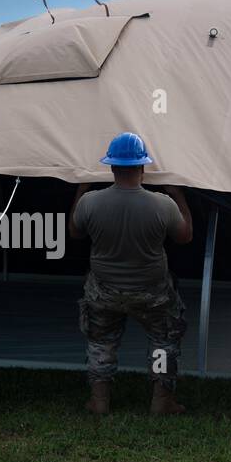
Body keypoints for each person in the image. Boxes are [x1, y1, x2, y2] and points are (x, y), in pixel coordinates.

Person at [69, 132, 193, 415]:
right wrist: (178, 195)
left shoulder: (90, 202)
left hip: (104, 290)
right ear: (143, 167)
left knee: (101, 342)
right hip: (152, 292)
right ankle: (161, 400)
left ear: (111, 166)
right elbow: (185, 236)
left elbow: (75, 232)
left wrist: (80, 188)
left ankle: (99, 401)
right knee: (163, 342)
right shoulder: (162, 204)